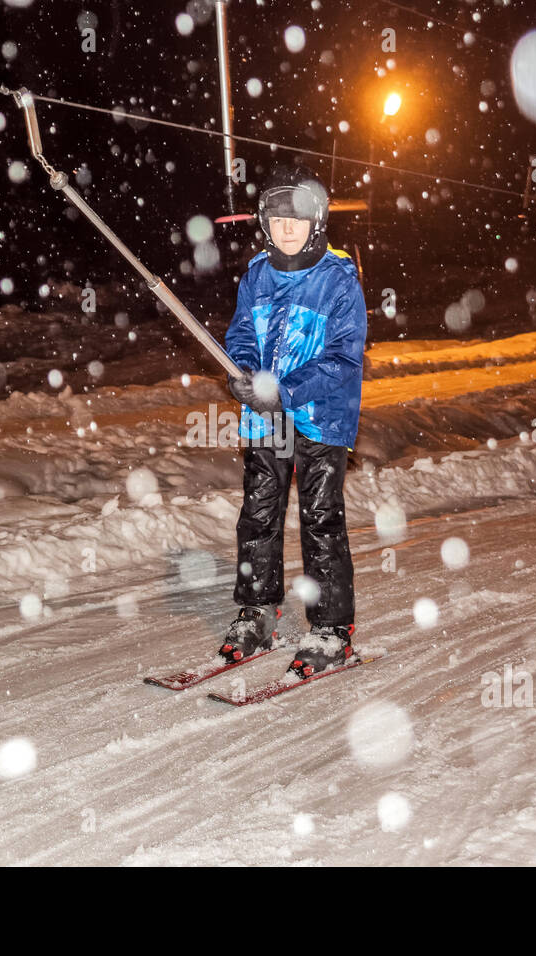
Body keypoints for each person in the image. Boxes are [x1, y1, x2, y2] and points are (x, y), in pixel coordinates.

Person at [217, 163, 368, 679]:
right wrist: (242, 372)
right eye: (277, 218)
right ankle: (258, 608)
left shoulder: (339, 280)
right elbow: (240, 336)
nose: (287, 228)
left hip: (321, 416)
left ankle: (331, 627)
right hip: (265, 419)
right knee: (258, 511)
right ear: (264, 222)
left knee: (320, 516)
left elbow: (345, 359)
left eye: (298, 219)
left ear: (317, 222)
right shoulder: (256, 275)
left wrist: (285, 388)